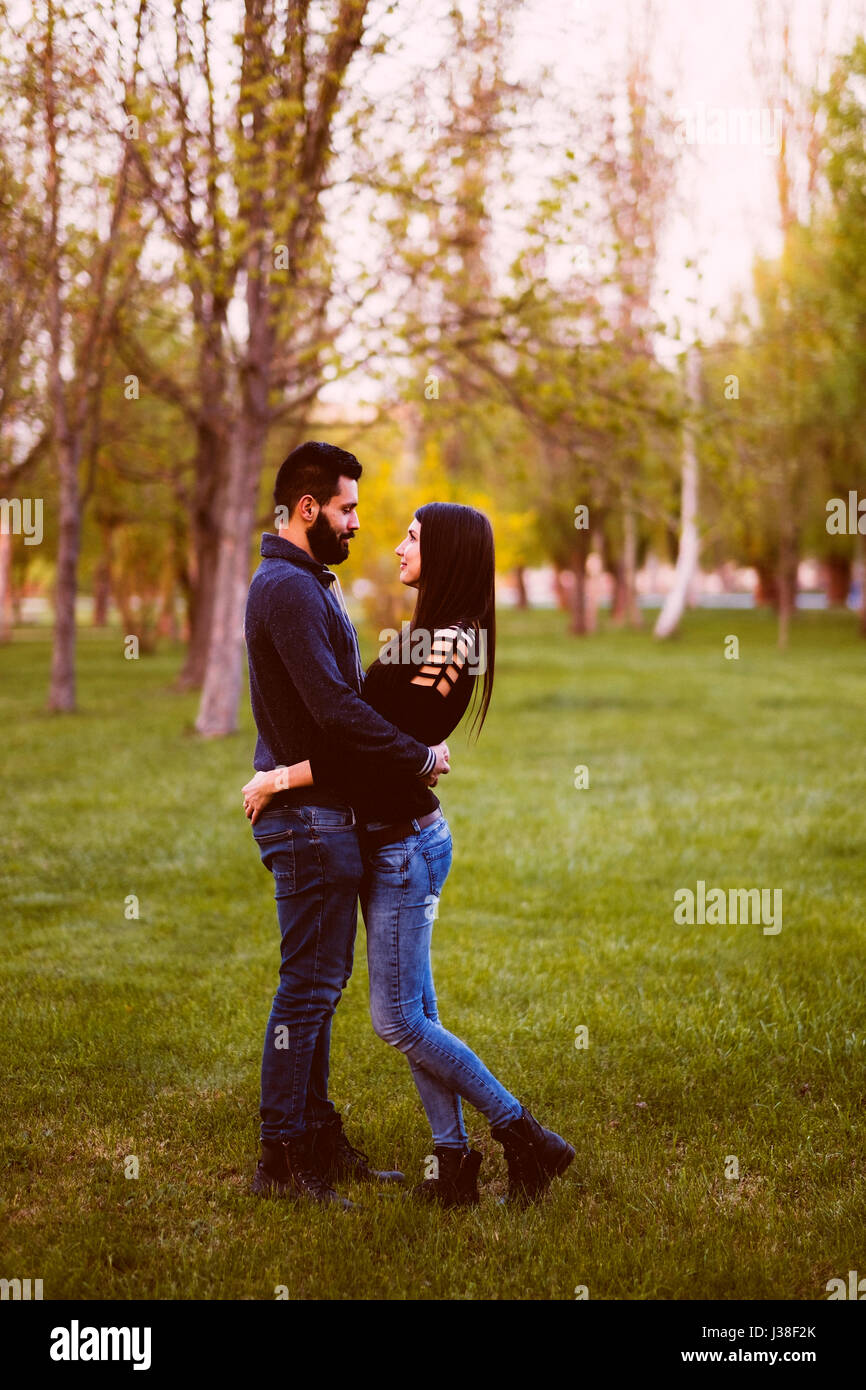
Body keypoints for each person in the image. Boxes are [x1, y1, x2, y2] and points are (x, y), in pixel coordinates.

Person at [244, 501, 574, 1206]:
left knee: (398, 1020)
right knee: (417, 1011)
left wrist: (283, 775)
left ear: (447, 552)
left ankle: (526, 1138)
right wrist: (398, 751)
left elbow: (369, 753)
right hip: (393, 839)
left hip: (405, 846)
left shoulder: (452, 646)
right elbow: (364, 725)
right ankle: (453, 1166)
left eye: (413, 538)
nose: (396, 547)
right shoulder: (423, 637)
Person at [243, 441, 451, 1210]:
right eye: (347, 508)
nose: (359, 522)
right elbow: (334, 713)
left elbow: (334, 704)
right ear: (308, 509)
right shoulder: (289, 590)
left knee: (320, 990)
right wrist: (417, 756)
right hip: (305, 824)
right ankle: (282, 1161)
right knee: (307, 990)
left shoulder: (304, 583)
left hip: (317, 813)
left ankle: (319, 1139)